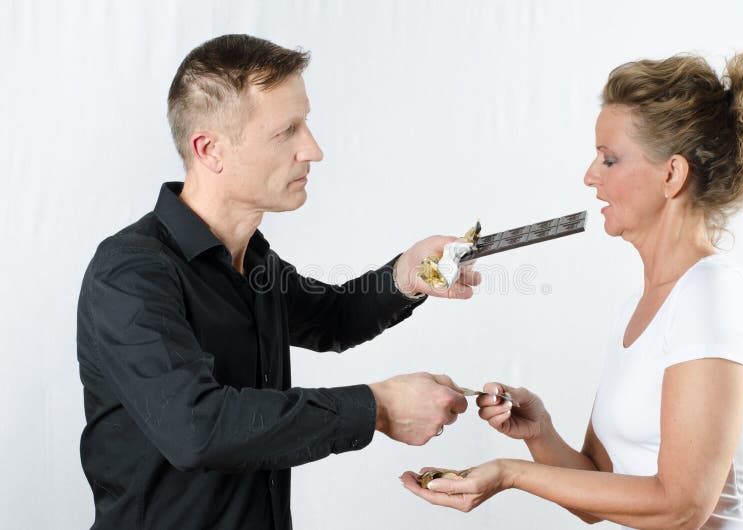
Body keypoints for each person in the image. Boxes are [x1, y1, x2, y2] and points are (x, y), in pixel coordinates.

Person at [77, 34, 480, 530]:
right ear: (209, 149)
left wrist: (406, 275)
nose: (313, 150)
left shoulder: (252, 259)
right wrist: (376, 407)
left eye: (305, 123)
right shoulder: (131, 273)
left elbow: (331, 318)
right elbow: (197, 427)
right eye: (287, 131)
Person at [402, 52, 743, 529]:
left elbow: (682, 507)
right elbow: (598, 495)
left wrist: (511, 473)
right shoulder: (637, 309)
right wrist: (540, 433)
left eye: (609, 159)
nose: (590, 176)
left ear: (671, 175)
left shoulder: (712, 296)